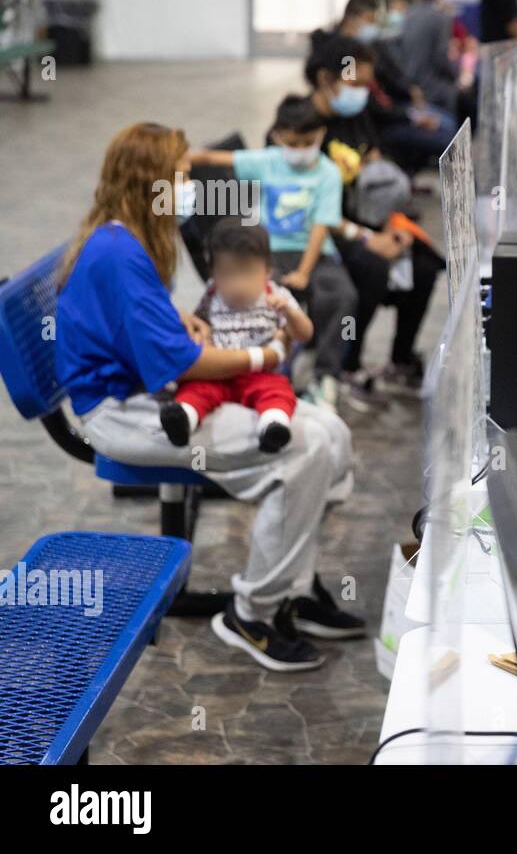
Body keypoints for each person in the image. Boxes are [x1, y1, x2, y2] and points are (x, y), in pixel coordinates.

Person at [54, 122, 362, 672]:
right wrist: (263, 358)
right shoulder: (119, 253)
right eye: (177, 176)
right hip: (121, 413)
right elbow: (186, 363)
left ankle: (290, 587)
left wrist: (180, 319)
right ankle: (253, 613)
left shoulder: (123, 238)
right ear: (148, 183)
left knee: (331, 432)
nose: (186, 185)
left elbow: (147, 317)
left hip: (149, 393)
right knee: (306, 448)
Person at [189, 96, 357, 410]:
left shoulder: (328, 173)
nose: (301, 149)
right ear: (278, 136)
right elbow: (216, 159)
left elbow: (321, 227)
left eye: (309, 142)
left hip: (316, 253)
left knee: (342, 296)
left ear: (322, 134)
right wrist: (183, 158)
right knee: (263, 300)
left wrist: (305, 273)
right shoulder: (267, 160)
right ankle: (275, 374)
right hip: (271, 253)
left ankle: (326, 376)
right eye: (293, 142)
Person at [304, 35, 443, 395]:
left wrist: (388, 226)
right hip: (323, 233)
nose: (363, 92)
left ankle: (400, 359)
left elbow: (373, 168)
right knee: (372, 267)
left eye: (366, 84)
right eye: (356, 83)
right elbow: (309, 212)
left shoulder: (357, 114)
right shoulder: (301, 127)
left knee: (426, 264)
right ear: (325, 79)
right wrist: (368, 238)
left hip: (365, 222)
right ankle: (347, 363)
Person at [160, 218, 312, 454]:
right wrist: (201, 332)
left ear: (267, 271)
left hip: (259, 375)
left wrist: (291, 314)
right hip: (218, 371)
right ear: (214, 273)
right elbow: (199, 322)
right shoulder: (212, 294)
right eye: (227, 274)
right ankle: (183, 418)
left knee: (277, 391)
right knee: (195, 389)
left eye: (247, 273)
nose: (237, 284)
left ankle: (273, 426)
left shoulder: (276, 296)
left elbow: (304, 334)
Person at [335, 0, 457, 171]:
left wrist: (411, 101)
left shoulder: (368, 48)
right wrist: (411, 116)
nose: (373, 27)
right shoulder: (345, 57)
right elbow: (367, 104)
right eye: (370, 21)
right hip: (383, 123)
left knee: (446, 123)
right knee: (445, 135)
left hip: (393, 111)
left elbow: (389, 81)